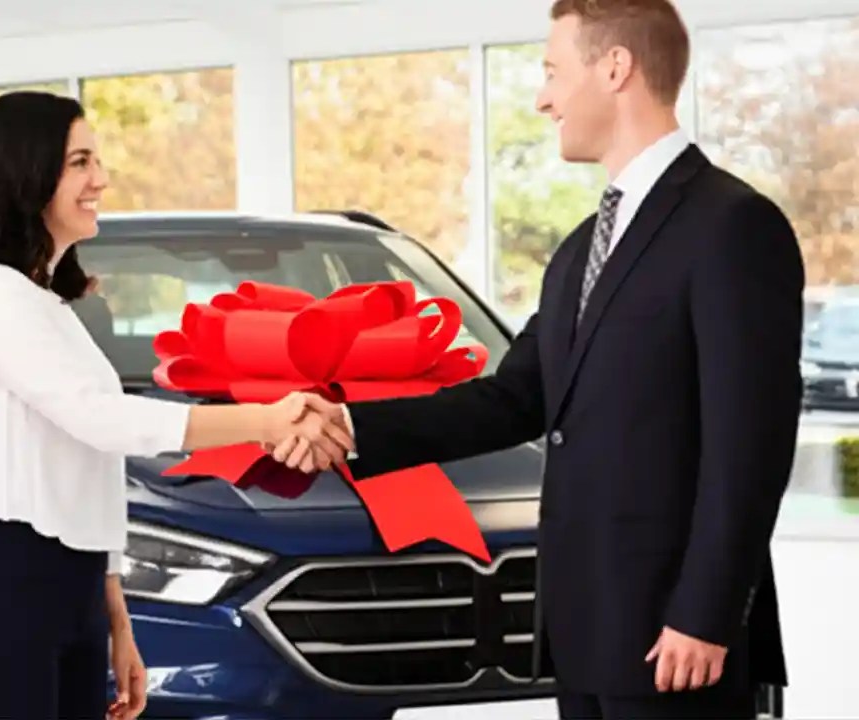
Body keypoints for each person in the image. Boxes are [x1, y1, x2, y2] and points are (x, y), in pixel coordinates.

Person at [274, 0, 803, 717]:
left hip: (679, 635)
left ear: (615, 68)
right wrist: (348, 425)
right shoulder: (583, 247)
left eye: (553, 71)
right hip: (586, 631)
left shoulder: (733, 226)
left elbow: (751, 445)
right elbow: (514, 398)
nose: (542, 96)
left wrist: (707, 613)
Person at [0, 90, 351, 720]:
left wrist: (115, 619)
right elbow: (104, 421)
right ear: (24, 174)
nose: (101, 179)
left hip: (67, 591)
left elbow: (89, 467)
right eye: (80, 162)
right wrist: (268, 420)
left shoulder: (46, 304)